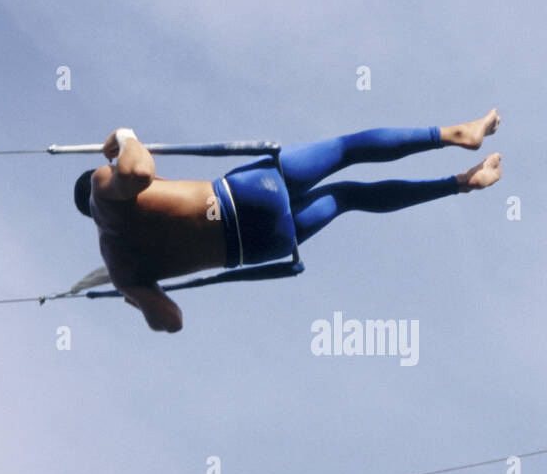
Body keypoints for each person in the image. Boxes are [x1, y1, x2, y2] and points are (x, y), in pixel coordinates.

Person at [73, 110, 502, 333]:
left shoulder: (123, 272)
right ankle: (453, 135)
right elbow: (138, 171)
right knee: (348, 149)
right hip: (244, 196)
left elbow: (170, 321)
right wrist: (125, 137)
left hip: (263, 245)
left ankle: (462, 184)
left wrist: (138, 298)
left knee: (351, 197)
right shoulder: (102, 186)